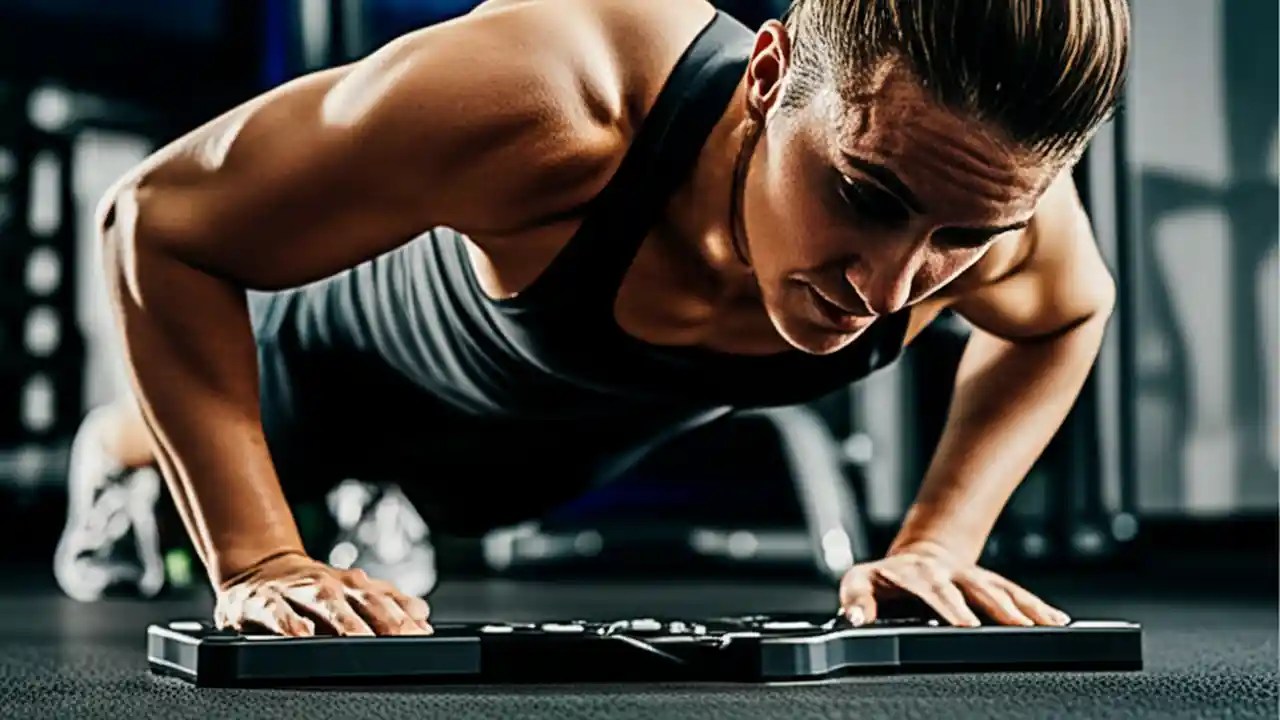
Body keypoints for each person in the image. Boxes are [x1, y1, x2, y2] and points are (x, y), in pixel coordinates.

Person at [57, 0, 1129, 637]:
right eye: (864, 197)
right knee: (251, 448)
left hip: (523, 468)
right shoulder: (559, 94)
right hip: (332, 369)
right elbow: (156, 219)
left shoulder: (984, 189)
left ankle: (386, 507)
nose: (894, 290)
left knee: (459, 500)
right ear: (767, 77)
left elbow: (1066, 315)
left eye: (961, 237)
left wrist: (938, 542)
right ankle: (117, 453)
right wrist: (257, 560)